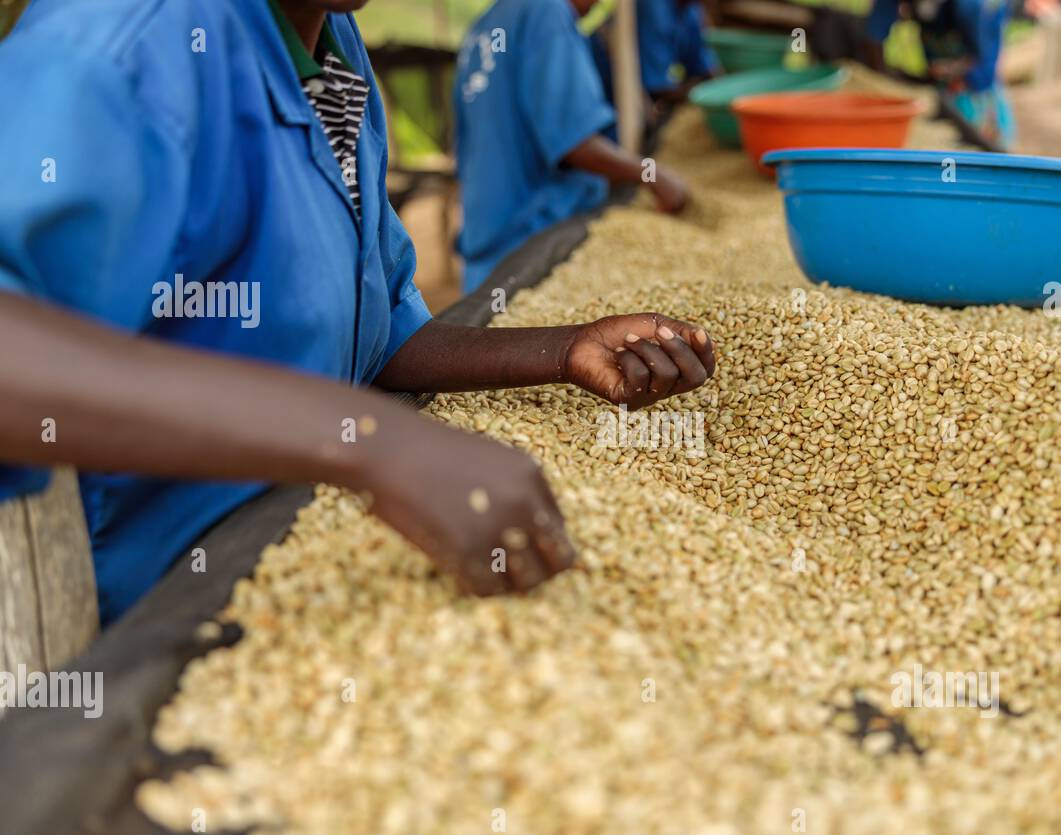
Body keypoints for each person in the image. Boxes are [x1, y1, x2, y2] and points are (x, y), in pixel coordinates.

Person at [0, 0, 716, 627]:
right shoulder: (121, 40)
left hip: (280, 547)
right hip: (139, 608)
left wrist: (563, 352)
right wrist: (374, 446)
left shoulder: (333, 49)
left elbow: (371, 339)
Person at [454, 0, 691, 293]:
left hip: (487, 232)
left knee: (487, 323)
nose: (597, 6)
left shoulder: (490, 20)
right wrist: (654, 176)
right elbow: (576, 143)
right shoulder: (547, 12)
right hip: (532, 237)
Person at [862, 0, 1016, 149]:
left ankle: (993, 148)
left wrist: (949, 71)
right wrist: (891, 78)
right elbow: (874, 39)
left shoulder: (974, 7)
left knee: (978, 124)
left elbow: (983, 63)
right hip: (942, 58)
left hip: (976, 68)